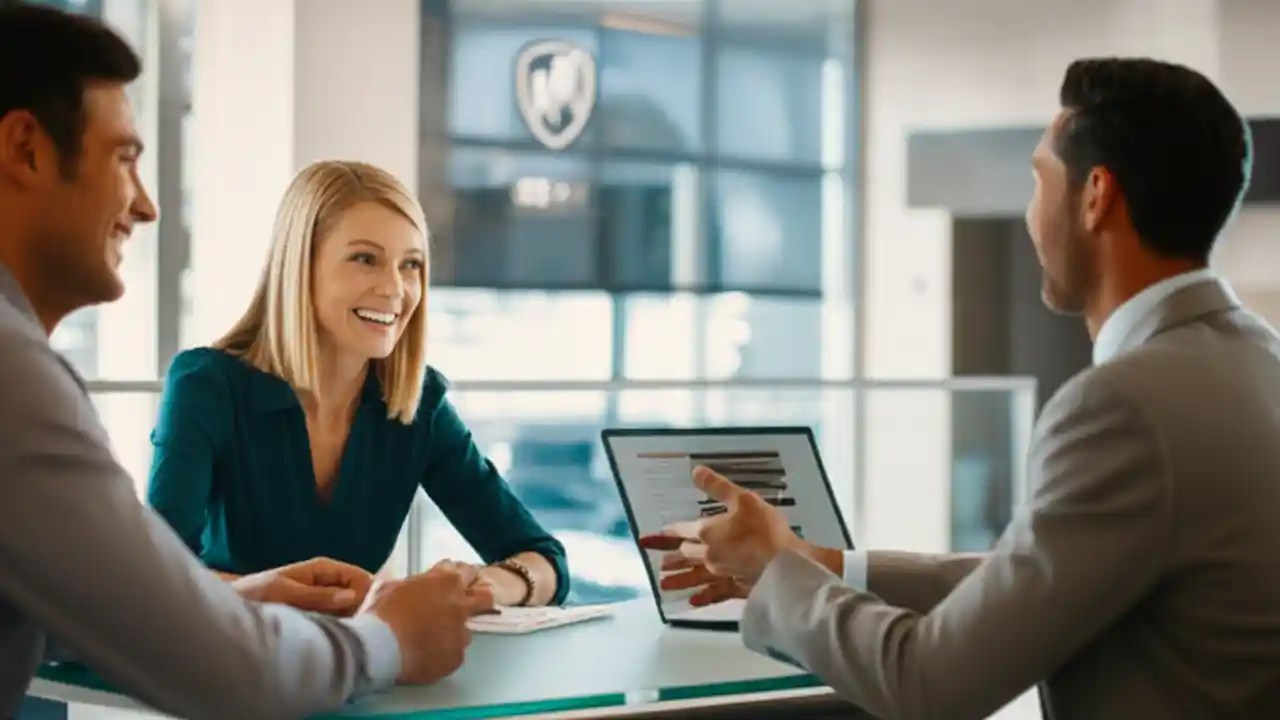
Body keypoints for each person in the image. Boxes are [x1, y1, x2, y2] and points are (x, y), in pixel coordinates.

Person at [642, 57, 1280, 719]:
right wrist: (821, 561)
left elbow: (929, 684)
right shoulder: (1259, 361)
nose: (1031, 215)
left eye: (1038, 180)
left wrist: (774, 571)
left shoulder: (1123, 406)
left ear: (1095, 196)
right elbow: (1035, 580)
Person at [0, 6, 488, 718]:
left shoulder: (415, 399)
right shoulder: (16, 380)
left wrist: (225, 599)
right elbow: (225, 675)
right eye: (125, 158)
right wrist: (388, 641)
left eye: (410, 265)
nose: (146, 207)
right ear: (26, 149)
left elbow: (77, 610)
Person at [145, 159, 569, 612]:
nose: (395, 289)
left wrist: (489, 585)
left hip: (359, 668)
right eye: (365, 259)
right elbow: (153, 578)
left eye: (411, 265)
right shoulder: (207, 386)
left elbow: (546, 561)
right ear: (300, 267)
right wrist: (263, 594)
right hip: (226, 665)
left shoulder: (416, 404)